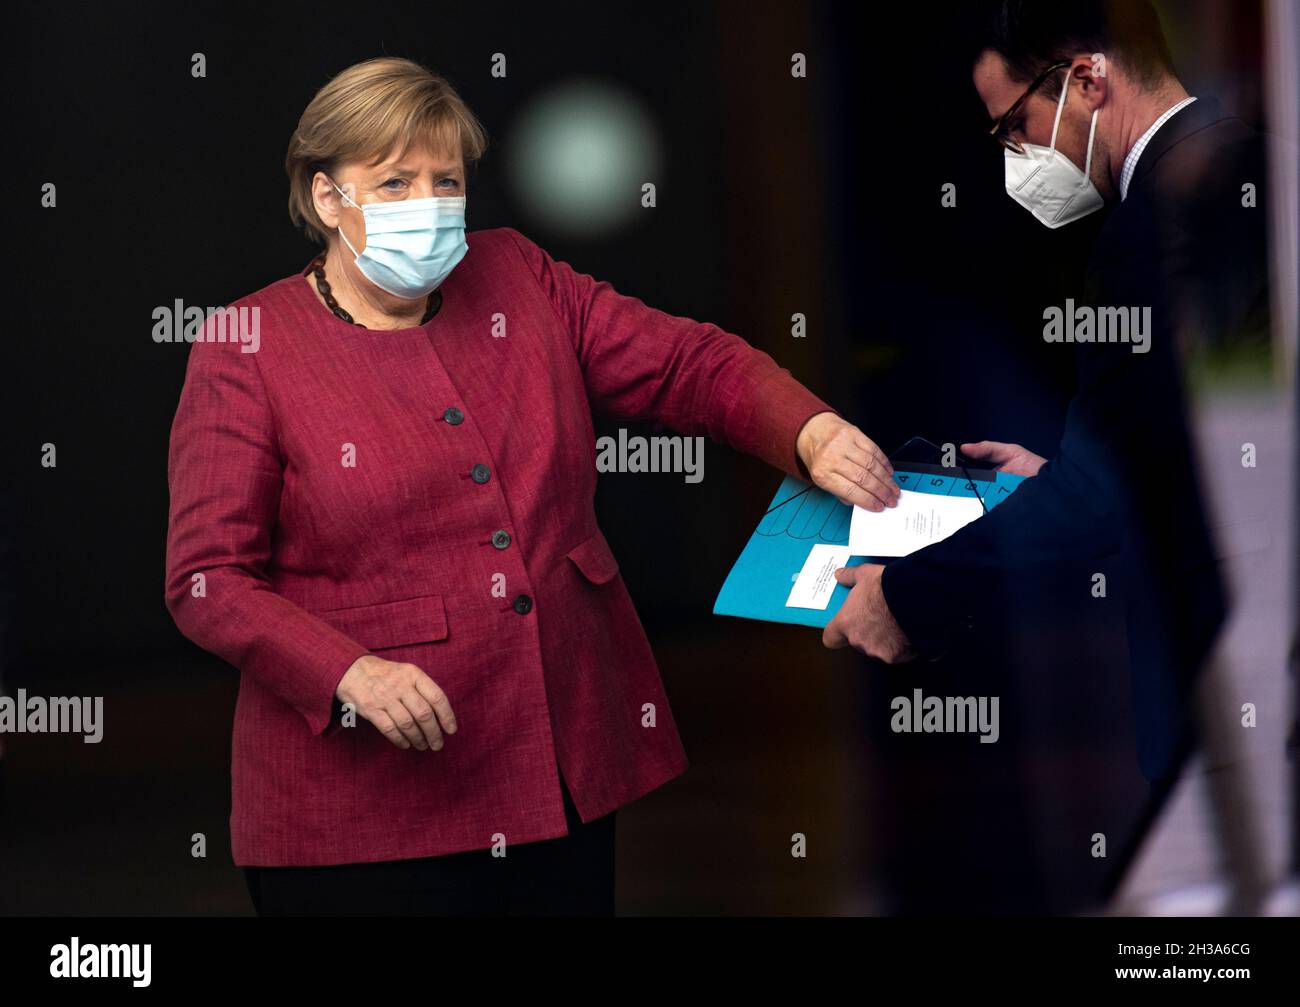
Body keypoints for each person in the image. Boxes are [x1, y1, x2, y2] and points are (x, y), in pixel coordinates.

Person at [164, 56, 898, 916]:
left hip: (559, 768)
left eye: (447, 180)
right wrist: (349, 673)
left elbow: (687, 363)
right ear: (327, 198)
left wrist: (807, 429)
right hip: (358, 813)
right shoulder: (245, 345)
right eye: (394, 181)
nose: (429, 205)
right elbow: (206, 580)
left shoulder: (517, 273)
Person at [826, 0, 1268, 837]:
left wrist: (904, 597)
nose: (1016, 161)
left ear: (1088, 78)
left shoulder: (1150, 231)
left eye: (1015, 127)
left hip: (1221, 677)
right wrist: (1063, 472)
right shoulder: (1252, 164)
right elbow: (1184, 450)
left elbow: (1100, 505)